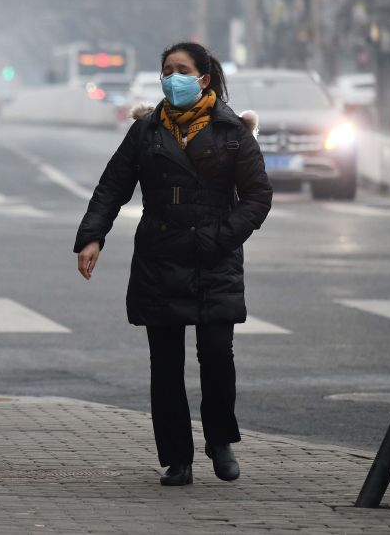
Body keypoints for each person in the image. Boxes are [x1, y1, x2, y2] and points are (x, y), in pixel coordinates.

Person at [74, 41, 272, 486]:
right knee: (165, 366)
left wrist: (219, 237)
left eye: (182, 70)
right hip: (159, 257)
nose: (172, 78)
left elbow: (258, 197)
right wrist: (92, 237)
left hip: (214, 259)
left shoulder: (232, 131)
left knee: (217, 357)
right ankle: (177, 458)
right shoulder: (146, 130)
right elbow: (112, 186)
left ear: (204, 78)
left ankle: (220, 440)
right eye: (166, 70)